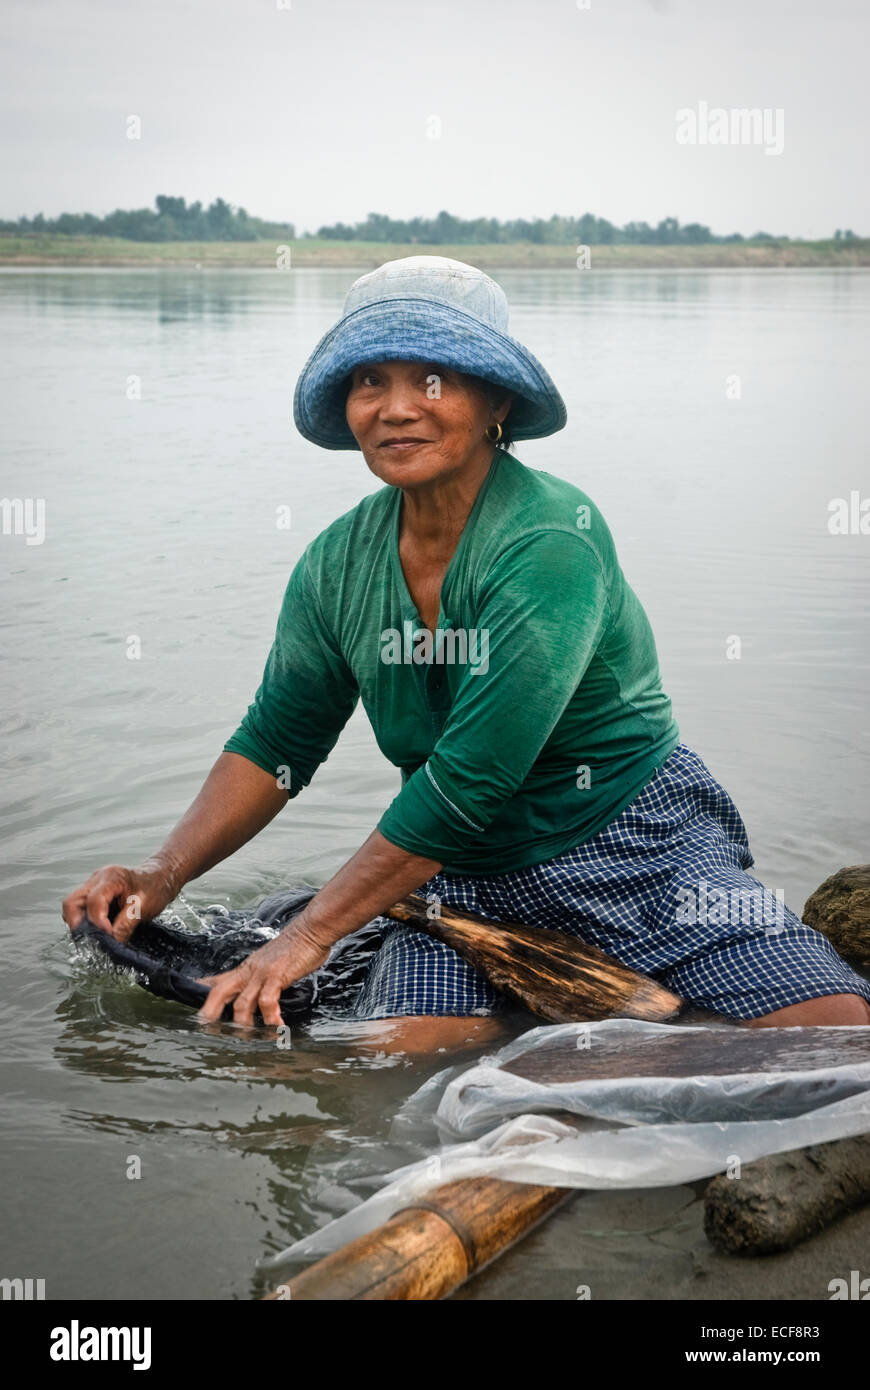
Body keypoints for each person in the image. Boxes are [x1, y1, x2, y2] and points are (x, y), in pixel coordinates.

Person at [62, 255, 870, 1051]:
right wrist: (161, 876)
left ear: (496, 403)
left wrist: (304, 939)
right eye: (370, 380)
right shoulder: (335, 564)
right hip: (454, 875)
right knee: (394, 1055)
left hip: (635, 843)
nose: (398, 408)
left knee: (836, 1037)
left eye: (435, 380)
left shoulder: (550, 539)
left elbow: (471, 779)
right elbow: (277, 743)